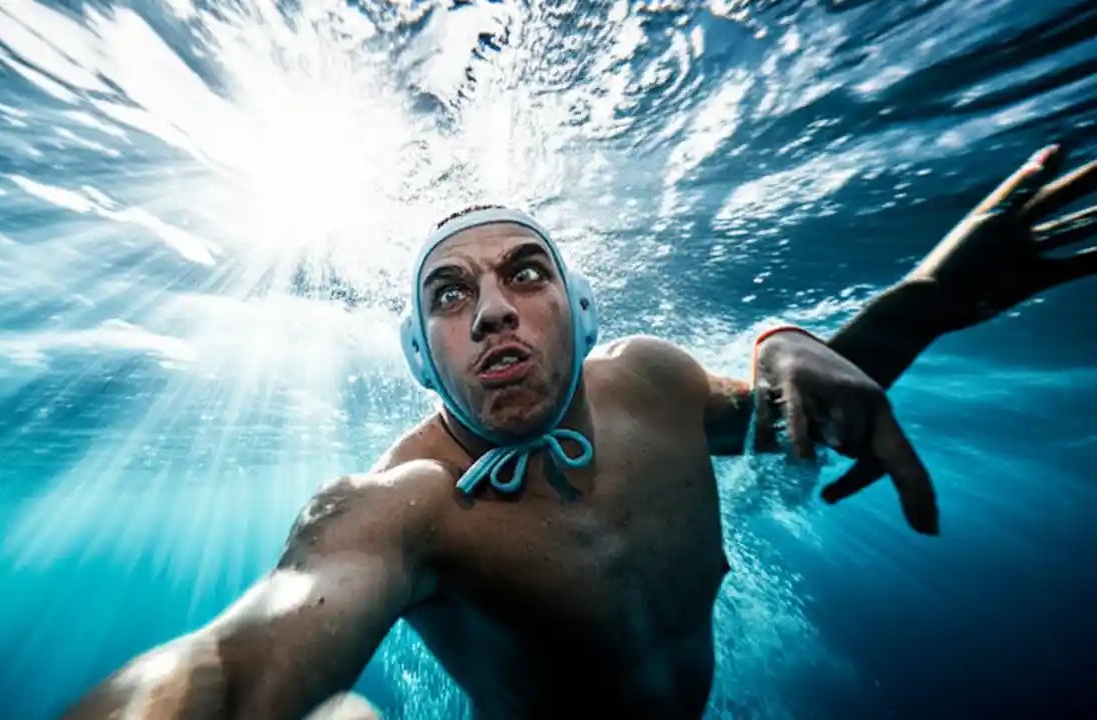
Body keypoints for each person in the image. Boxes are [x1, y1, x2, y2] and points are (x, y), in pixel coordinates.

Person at [62, 144, 1097, 720]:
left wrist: (926, 294)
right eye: (448, 293)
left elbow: (804, 414)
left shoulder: (650, 383)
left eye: (523, 272)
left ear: (577, 308)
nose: (492, 310)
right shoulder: (405, 510)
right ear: (425, 356)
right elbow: (240, 659)